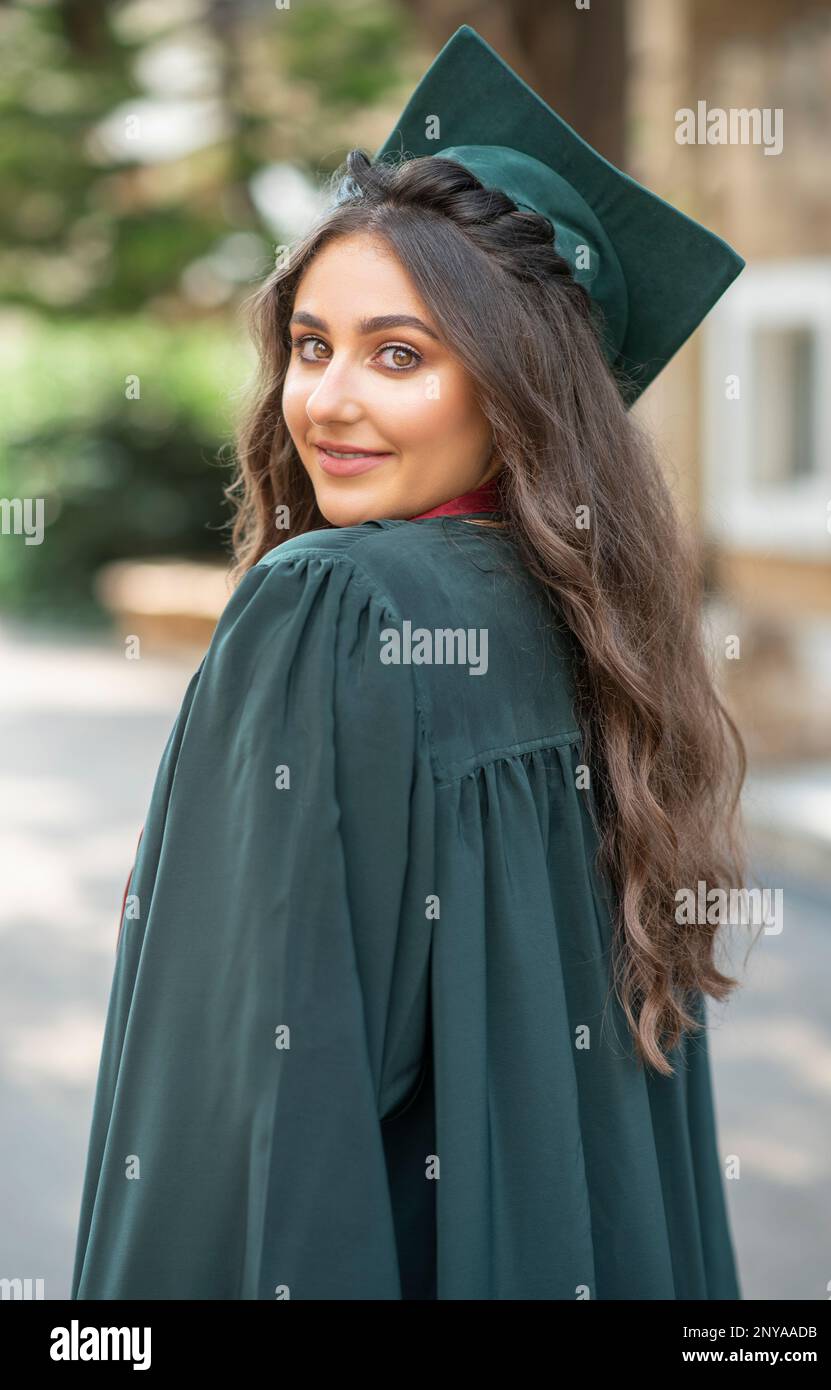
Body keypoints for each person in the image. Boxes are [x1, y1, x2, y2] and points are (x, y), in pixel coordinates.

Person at [71, 25, 750, 1300]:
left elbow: (254, 1102)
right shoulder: (601, 623)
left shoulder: (331, 601)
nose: (326, 401)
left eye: (400, 355)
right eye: (311, 345)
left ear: (517, 386)